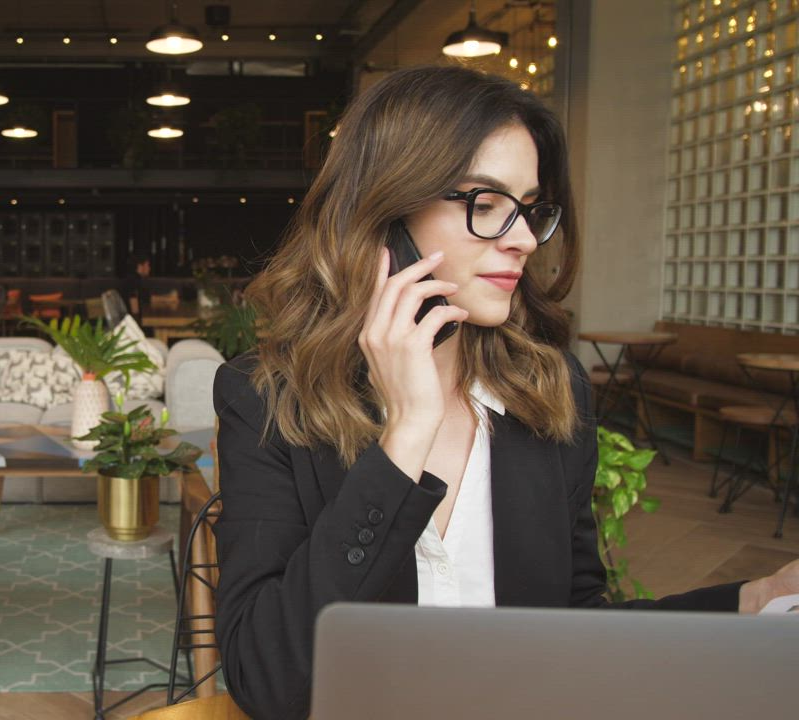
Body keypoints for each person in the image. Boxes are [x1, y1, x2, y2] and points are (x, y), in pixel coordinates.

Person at [212, 65, 799, 720]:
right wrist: (405, 437)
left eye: (529, 208)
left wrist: (751, 600)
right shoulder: (268, 401)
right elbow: (265, 680)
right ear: (383, 216)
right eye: (485, 205)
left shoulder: (547, 393)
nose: (522, 239)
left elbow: (572, 623)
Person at [121, 252, 152, 323]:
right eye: (148, 265)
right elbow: (134, 307)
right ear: (140, 266)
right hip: (130, 323)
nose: (149, 268)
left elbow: (147, 297)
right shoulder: (132, 281)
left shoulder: (134, 279)